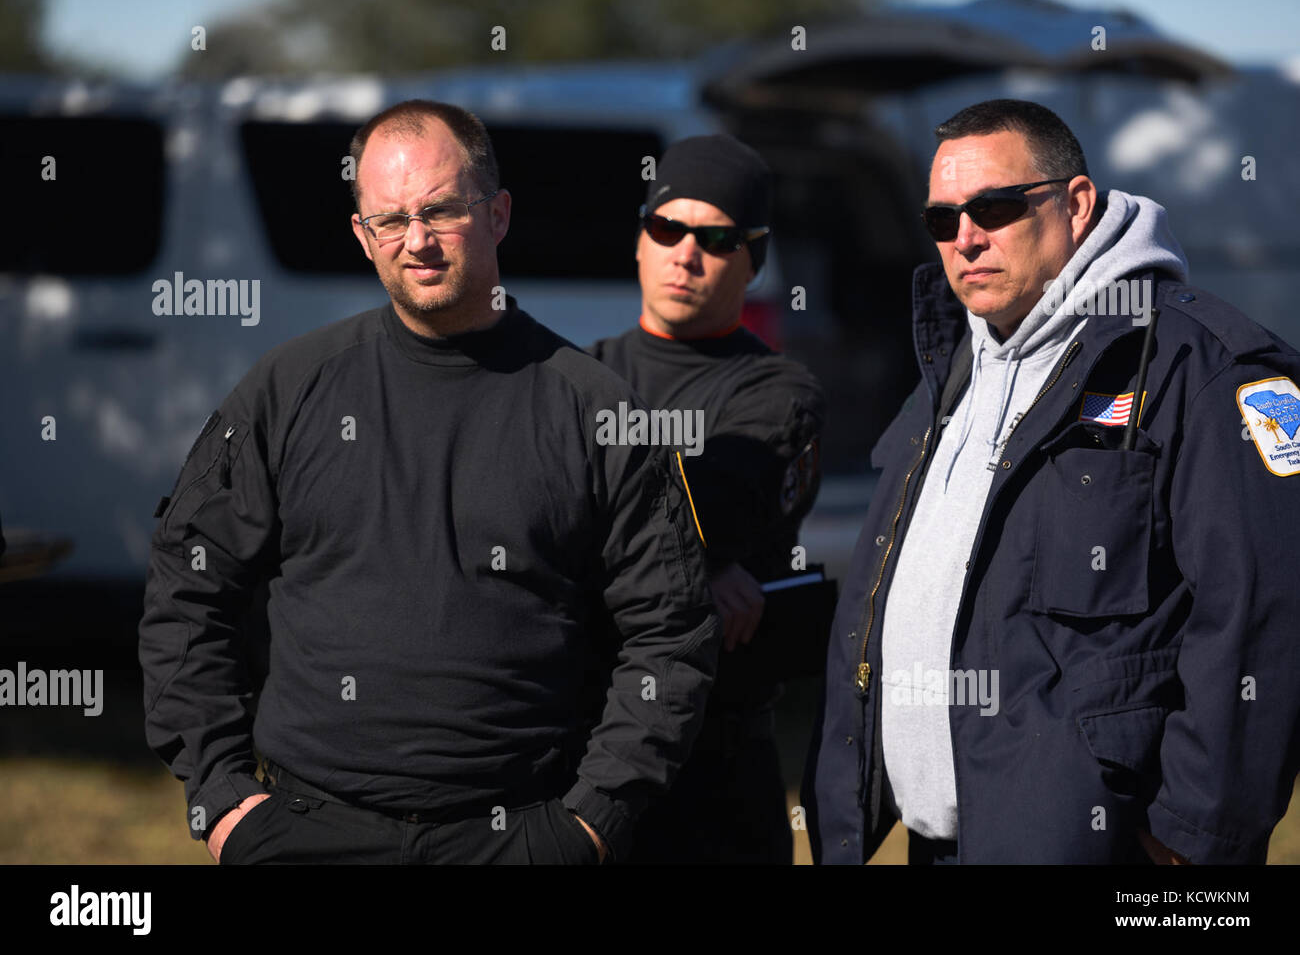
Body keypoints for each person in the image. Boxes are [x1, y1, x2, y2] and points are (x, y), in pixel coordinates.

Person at [138, 99, 720, 865]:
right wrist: (220, 793)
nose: (416, 240)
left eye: (442, 210)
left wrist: (593, 819)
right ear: (362, 235)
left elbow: (671, 631)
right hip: (304, 831)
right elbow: (187, 583)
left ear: (499, 213)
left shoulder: (596, 409)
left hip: (517, 836)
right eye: (389, 219)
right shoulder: (288, 389)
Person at [805, 99, 1300, 864]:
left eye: (994, 207)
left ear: (1076, 204)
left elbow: (1264, 614)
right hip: (942, 843)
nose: (966, 237)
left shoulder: (1201, 367)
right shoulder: (951, 372)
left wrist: (1193, 839)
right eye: (942, 220)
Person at [589, 135, 825, 863]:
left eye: (716, 237)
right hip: (584, 758)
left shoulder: (778, 391)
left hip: (714, 769)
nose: (685, 254)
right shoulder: (579, 375)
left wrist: (687, 545)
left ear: (753, 261)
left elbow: (716, 507)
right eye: (667, 228)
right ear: (639, 241)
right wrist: (697, 565)